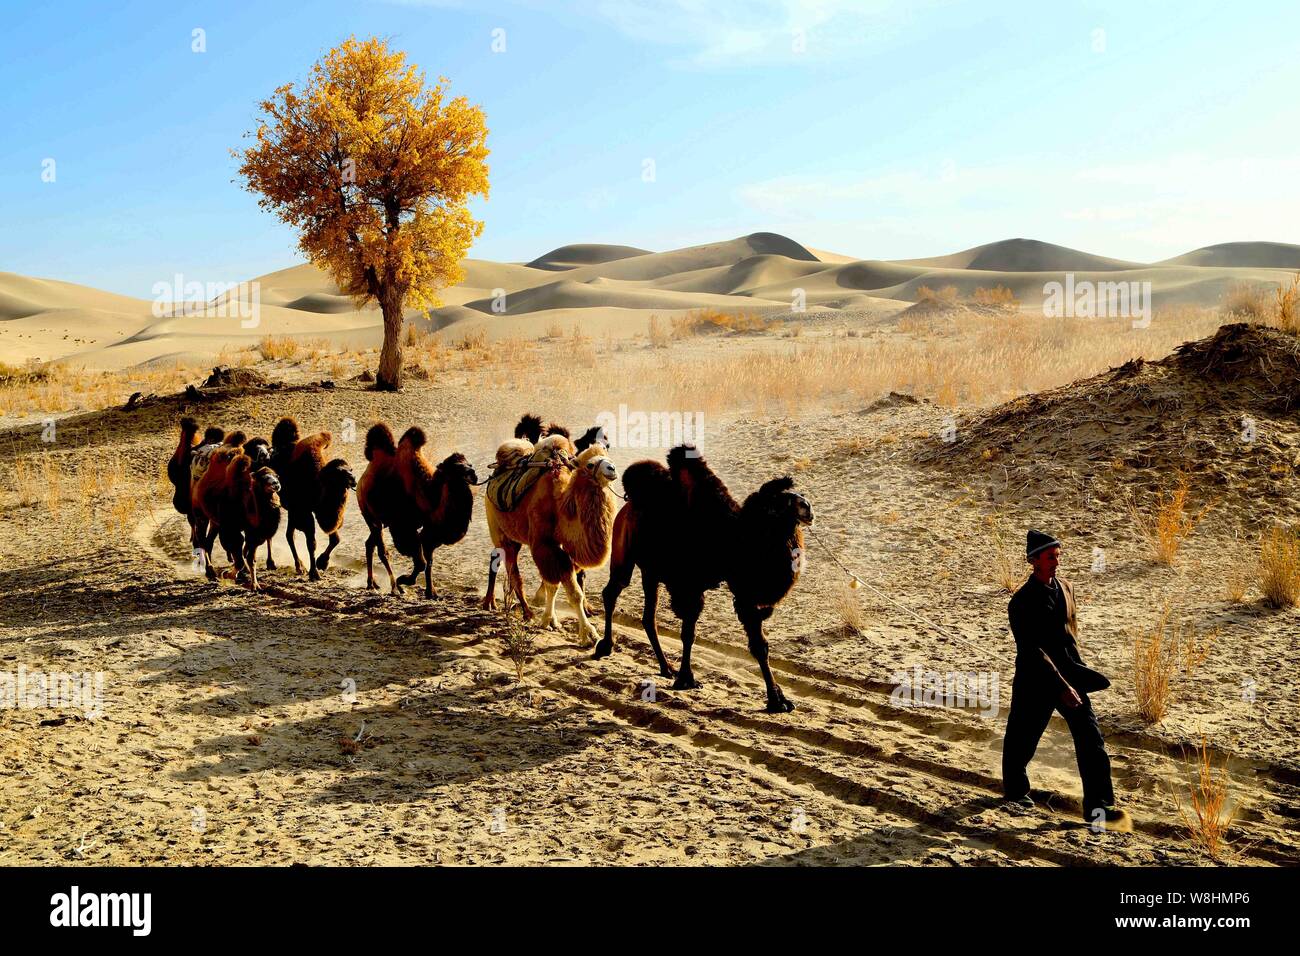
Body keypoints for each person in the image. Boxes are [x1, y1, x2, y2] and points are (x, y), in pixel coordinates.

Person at [1002, 529, 1126, 826]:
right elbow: (1032, 651)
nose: (1056, 562)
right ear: (1034, 561)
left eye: (1058, 556)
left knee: (1091, 741)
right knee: (1022, 739)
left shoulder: (1067, 587)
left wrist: (1078, 675)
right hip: (1036, 680)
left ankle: (1100, 808)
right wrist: (1062, 686)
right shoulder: (1021, 602)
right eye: (1050, 557)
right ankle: (1016, 793)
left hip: (1072, 677)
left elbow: (1069, 637)